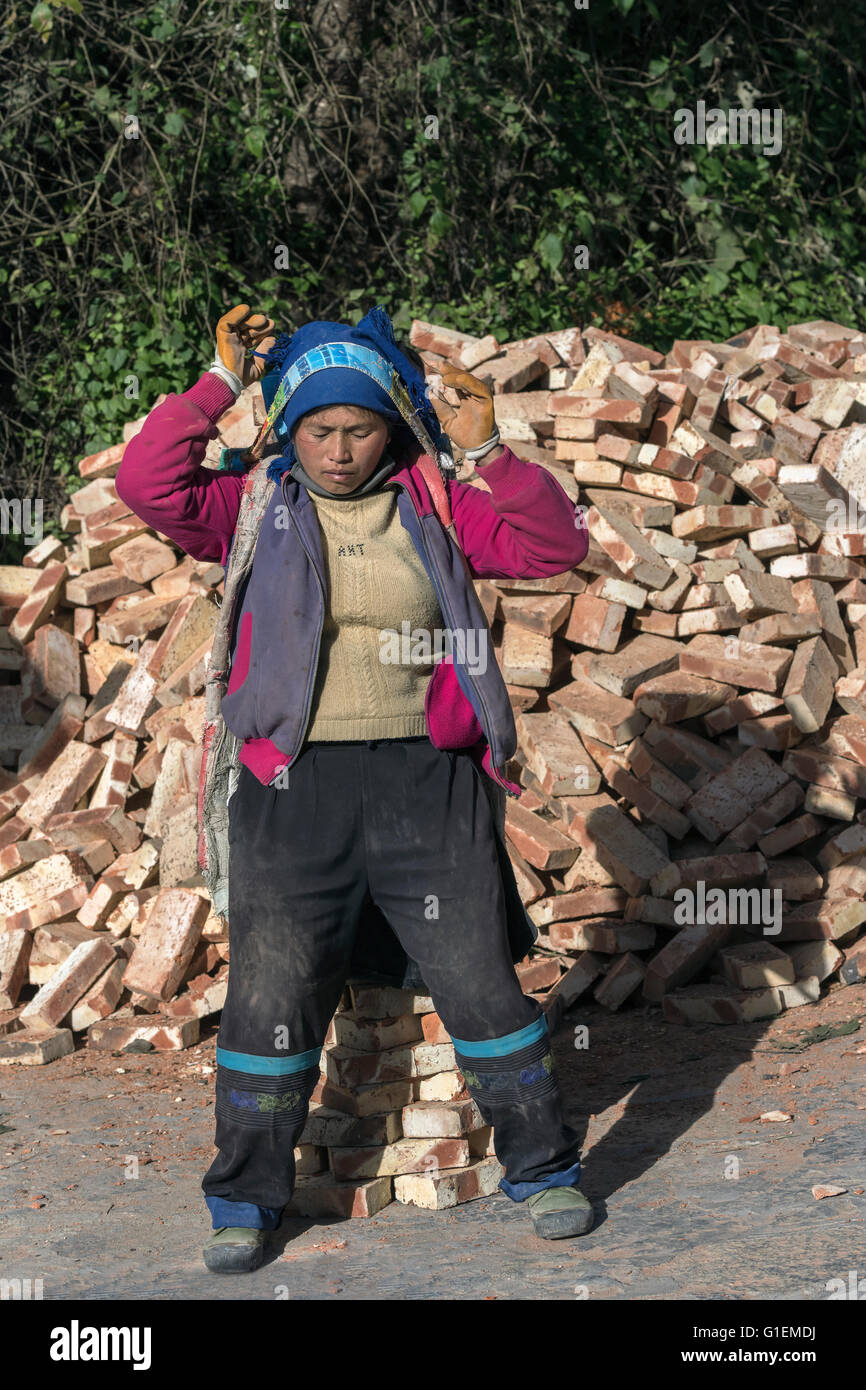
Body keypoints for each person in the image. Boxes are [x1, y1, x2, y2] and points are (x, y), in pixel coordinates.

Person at [116, 302, 592, 1274]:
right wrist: (217, 386)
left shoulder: (434, 503)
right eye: (317, 429)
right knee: (270, 991)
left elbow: (552, 547)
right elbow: (147, 481)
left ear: (392, 423)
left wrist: (489, 449)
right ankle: (245, 1198)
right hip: (296, 787)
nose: (337, 450)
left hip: (429, 783)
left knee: (476, 982)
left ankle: (542, 1171)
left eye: (359, 426)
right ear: (288, 428)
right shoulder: (252, 505)